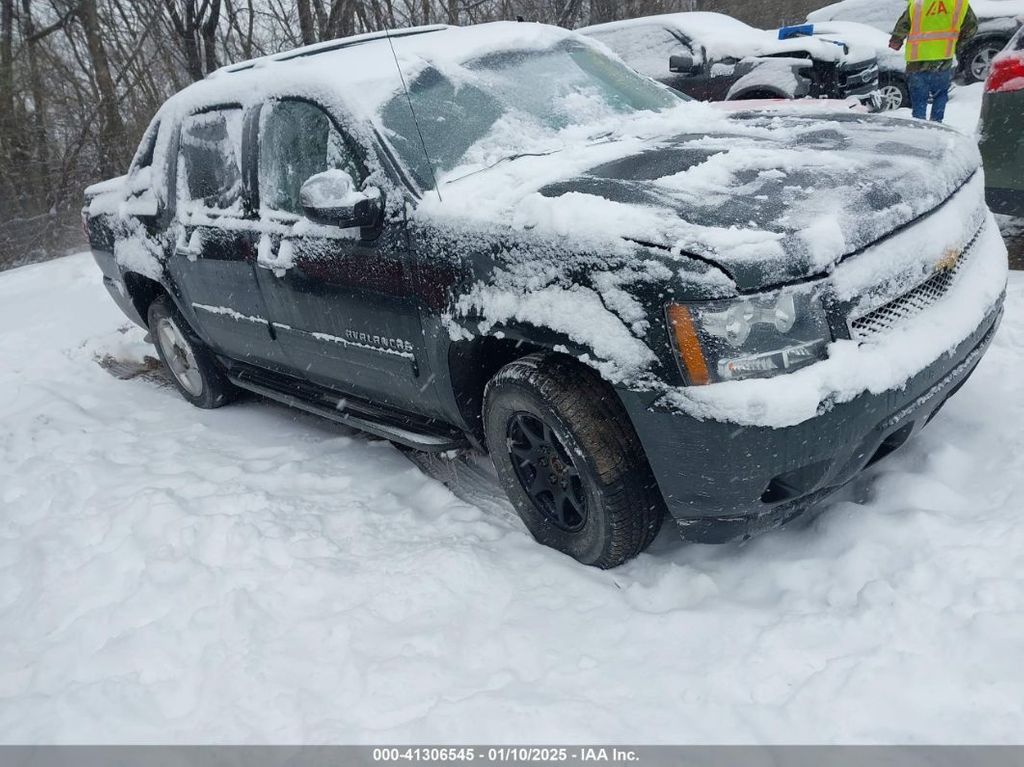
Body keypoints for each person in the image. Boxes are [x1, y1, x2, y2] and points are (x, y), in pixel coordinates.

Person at [889, 0, 978, 122]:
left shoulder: (918, 2)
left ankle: (919, 126)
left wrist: (896, 40)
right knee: (940, 95)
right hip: (943, 59)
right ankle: (936, 125)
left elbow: (903, 24)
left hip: (917, 60)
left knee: (919, 98)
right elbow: (971, 27)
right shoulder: (959, 3)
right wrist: (957, 44)